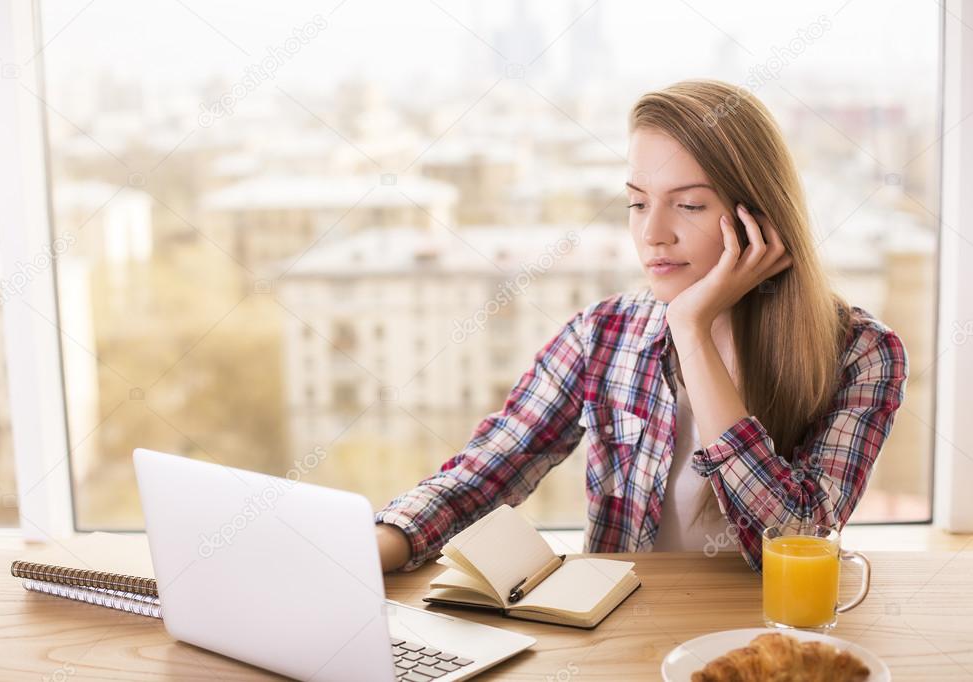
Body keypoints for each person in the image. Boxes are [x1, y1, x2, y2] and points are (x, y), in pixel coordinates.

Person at [374, 78, 909, 575]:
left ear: (760, 216)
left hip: (767, 646)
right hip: (625, 642)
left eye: (689, 204)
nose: (653, 233)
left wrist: (692, 331)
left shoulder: (862, 353)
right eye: (637, 202)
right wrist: (374, 548)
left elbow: (797, 540)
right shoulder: (602, 333)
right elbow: (487, 473)